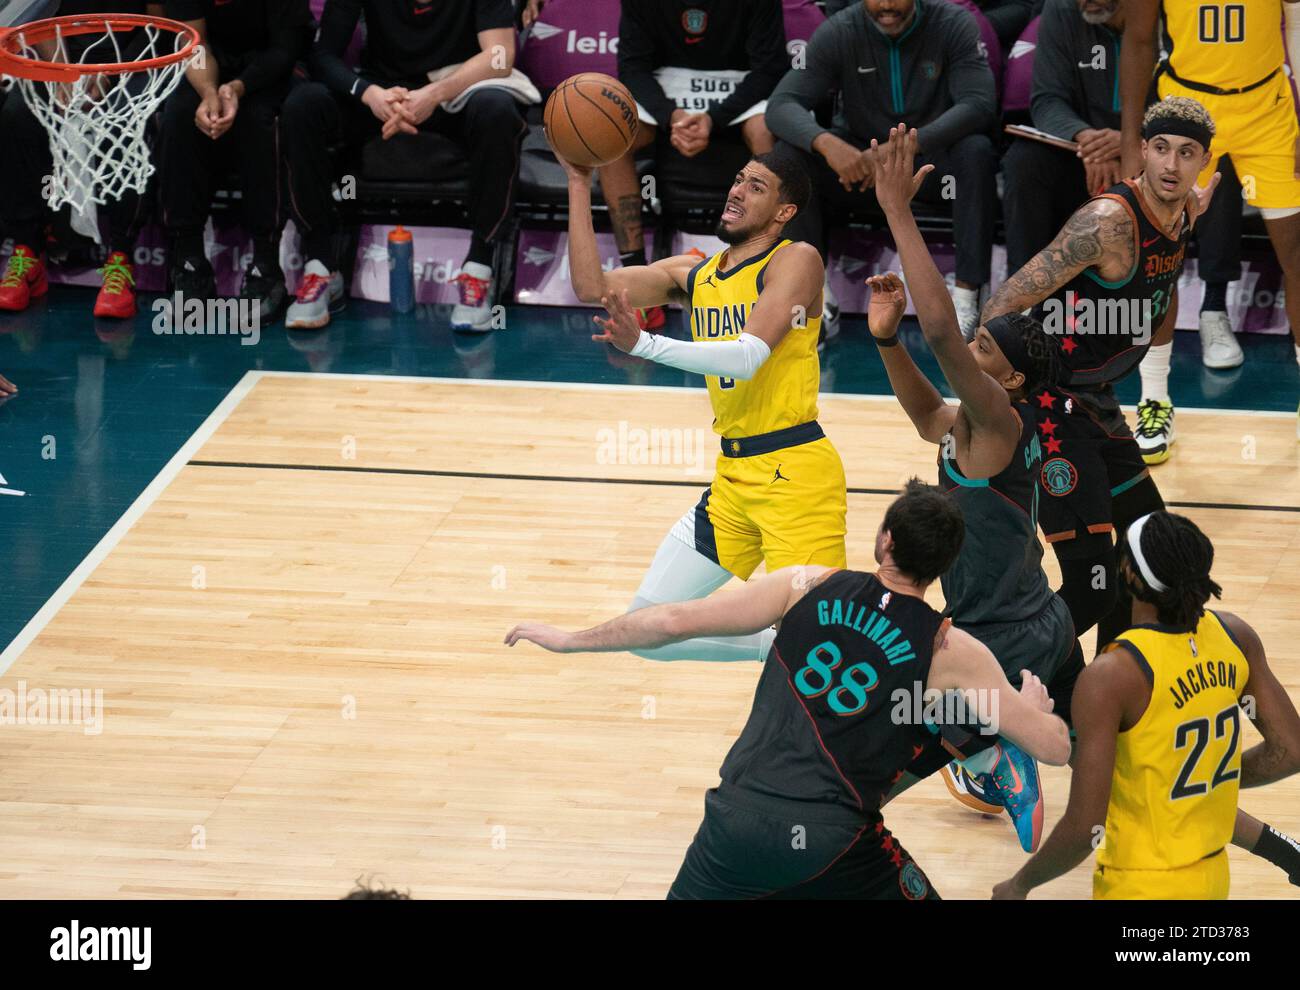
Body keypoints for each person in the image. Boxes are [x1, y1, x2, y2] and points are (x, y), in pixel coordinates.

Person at [506, 481, 1073, 899]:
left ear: (884, 540)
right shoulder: (952, 649)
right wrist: (1030, 709)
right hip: (834, 840)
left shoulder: (802, 584)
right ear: (945, 567)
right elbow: (1055, 748)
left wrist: (570, 640)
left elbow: (672, 622)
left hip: (732, 822)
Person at [864, 124, 1085, 853]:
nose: (972, 347)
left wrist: (898, 211)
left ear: (1013, 380)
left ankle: (1000, 762)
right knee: (1088, 754)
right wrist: (887, 342)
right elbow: (928, 414)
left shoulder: (999, 418)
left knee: (903, 706)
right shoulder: (971, 422)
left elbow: (945, 334)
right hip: (1042, 617)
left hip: (1000, 637)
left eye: (987, 347)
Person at [553, 140, 846, 663]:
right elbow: (590, 285)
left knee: (826, 644)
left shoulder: (797, 260)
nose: (737, 191)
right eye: (738, 179)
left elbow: (747, 356)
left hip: (794, 475)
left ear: (785, 212)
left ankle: (800, 644)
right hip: (733, 479)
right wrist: (580, 183)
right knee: (646, 634)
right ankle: (777, 645)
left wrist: (642, 345)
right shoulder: (695, 276)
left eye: (756, 187)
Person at [982, 96, 1217, 652]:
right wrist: (985, 401)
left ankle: (1111, 699)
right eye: (1160, 148)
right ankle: (993, 678)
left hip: (1096, 400)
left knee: (1149, 553)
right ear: (1141, 150)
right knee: (1093, 584)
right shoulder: (1108, 223)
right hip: (1046, 403)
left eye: (1186, 154)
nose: (1170, 165)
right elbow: (1001, 306)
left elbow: (1161, 298)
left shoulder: (1182, 211)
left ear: (1203, 162)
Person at [994, 511, 1300, 898]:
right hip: (1212, 880)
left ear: (1130, 576)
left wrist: (1020, 884)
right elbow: (1290, 750)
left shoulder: (1113, 676)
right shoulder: (1235, 636)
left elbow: (1086, 827)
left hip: (1140, 885)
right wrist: (1210, 778)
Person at [280, 0, 528, 330]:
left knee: (498, 112)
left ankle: (480, 266)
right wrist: (368, 94)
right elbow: (323, 56)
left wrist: (434, 94)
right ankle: (322, 263)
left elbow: (500, 57)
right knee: (304, 106)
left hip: (453, 88)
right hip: (384, 93)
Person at [765, 0, 999, 336]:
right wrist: (828, 144)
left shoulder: (953, 23)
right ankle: (814, 297)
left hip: (929, 169)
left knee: (976, 151)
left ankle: (965, 299)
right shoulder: (841, 30)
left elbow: (979, 103)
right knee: (789, 155)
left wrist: (906, 146)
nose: (887, 5)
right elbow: (781, 104)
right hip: (859, 170)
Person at [1120, 0, 1300, 383]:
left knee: (1297, 253)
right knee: (1161, 257)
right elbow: (1137, 41)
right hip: (1186, 106)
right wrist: (1129, 142)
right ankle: (1156, 397)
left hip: (1267, 105)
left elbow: (1298, 25)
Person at [605, 0, 787, 333]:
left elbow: (770, 69)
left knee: (764, 129)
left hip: (740, 88)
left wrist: (713, 119)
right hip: (668, 89)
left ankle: (760, 274)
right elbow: (632, 67)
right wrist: (670, 115)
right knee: (613, 137)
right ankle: (636, 283)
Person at [0, 2, 166, 320]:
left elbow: (157, 25)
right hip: (61, 59)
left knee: (125, 119)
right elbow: (42, 19)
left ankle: (121, 259)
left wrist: (108, 73)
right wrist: (62, 70)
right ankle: (27, 252)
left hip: (131, 63)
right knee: (16, 114)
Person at [159, 0, 312, 323]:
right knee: (178, 116)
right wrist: (209, 92)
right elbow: (195, 44)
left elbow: (285, 50)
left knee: (259, 120)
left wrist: (236, 89)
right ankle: (188, 260)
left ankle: (266, 263)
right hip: (211, 66)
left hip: (273, 65)